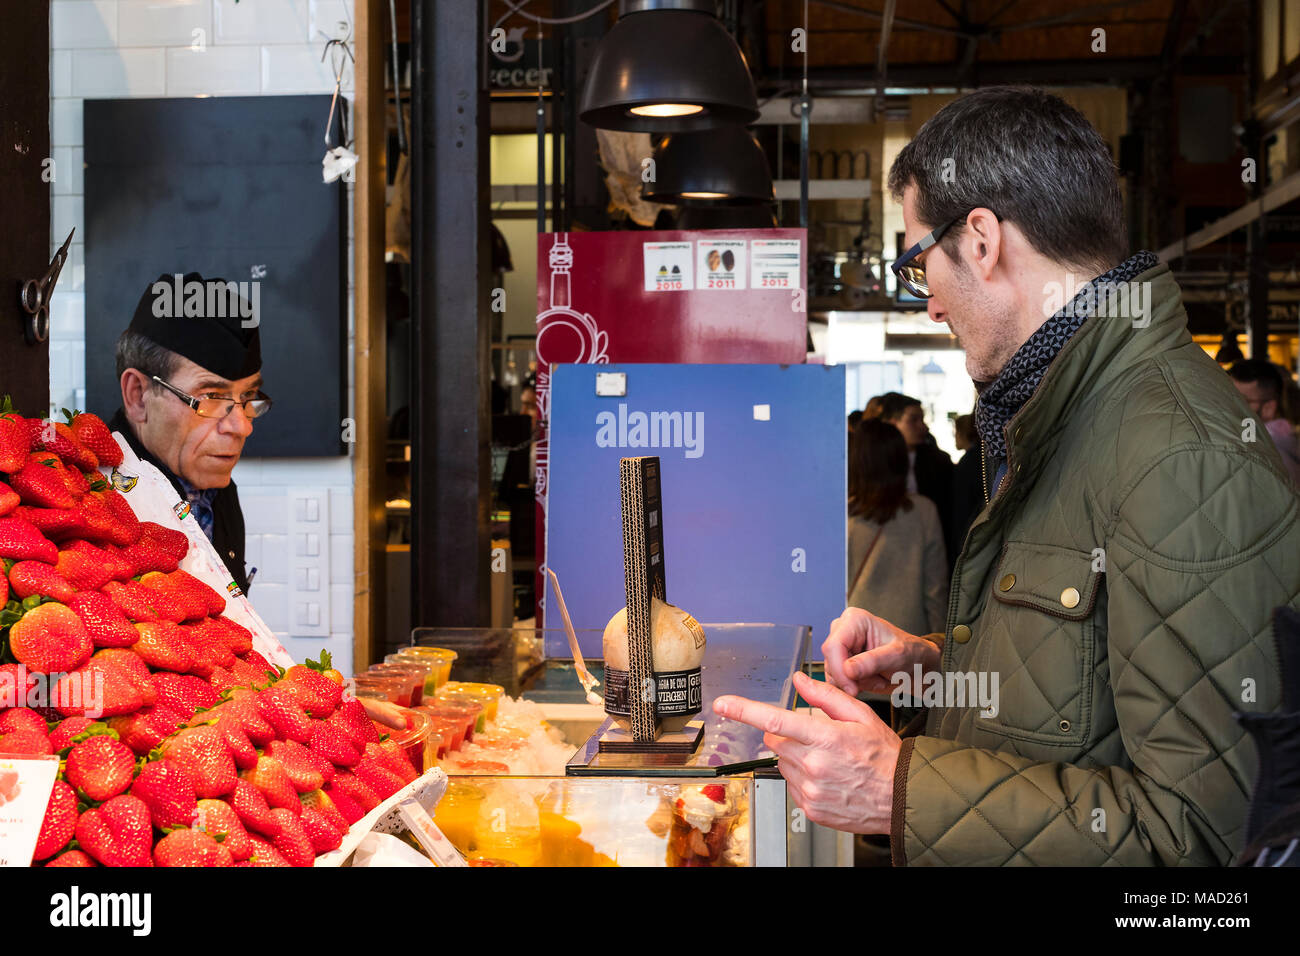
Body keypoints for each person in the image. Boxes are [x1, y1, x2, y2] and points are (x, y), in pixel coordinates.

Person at [714, 86, 1299, 865]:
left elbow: (1203, 841)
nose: (930, 307)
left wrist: (899, 789)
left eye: (920, 261)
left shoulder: (1182, 456)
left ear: (982, 241)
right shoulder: (1066, 413)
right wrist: (938, 676)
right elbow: (1085, 706)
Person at [111, 272, 268, 593]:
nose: (242, 426)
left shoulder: (216, 489)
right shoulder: (97, 504)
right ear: (138, 395)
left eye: (248, 397)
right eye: (210, 397)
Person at [846, 418, 947, 636]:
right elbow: (935, 589)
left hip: (853, 635)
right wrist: (941, 645)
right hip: (908, 639)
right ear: (900, 460)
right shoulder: (923, 511)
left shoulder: (841, 515)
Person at [875, 391, 955, 572]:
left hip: (929, 549)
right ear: (891, 423)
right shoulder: (875, 463)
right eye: (913, 420)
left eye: (922, 419)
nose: (922, 427)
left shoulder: (938, 462)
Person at [1227, 358, 1300, 485]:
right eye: (1227, 397)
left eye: (1242, 401)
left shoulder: (1266, 455)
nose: (1229, 406)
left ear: (1268, 408)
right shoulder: (1283, 442)